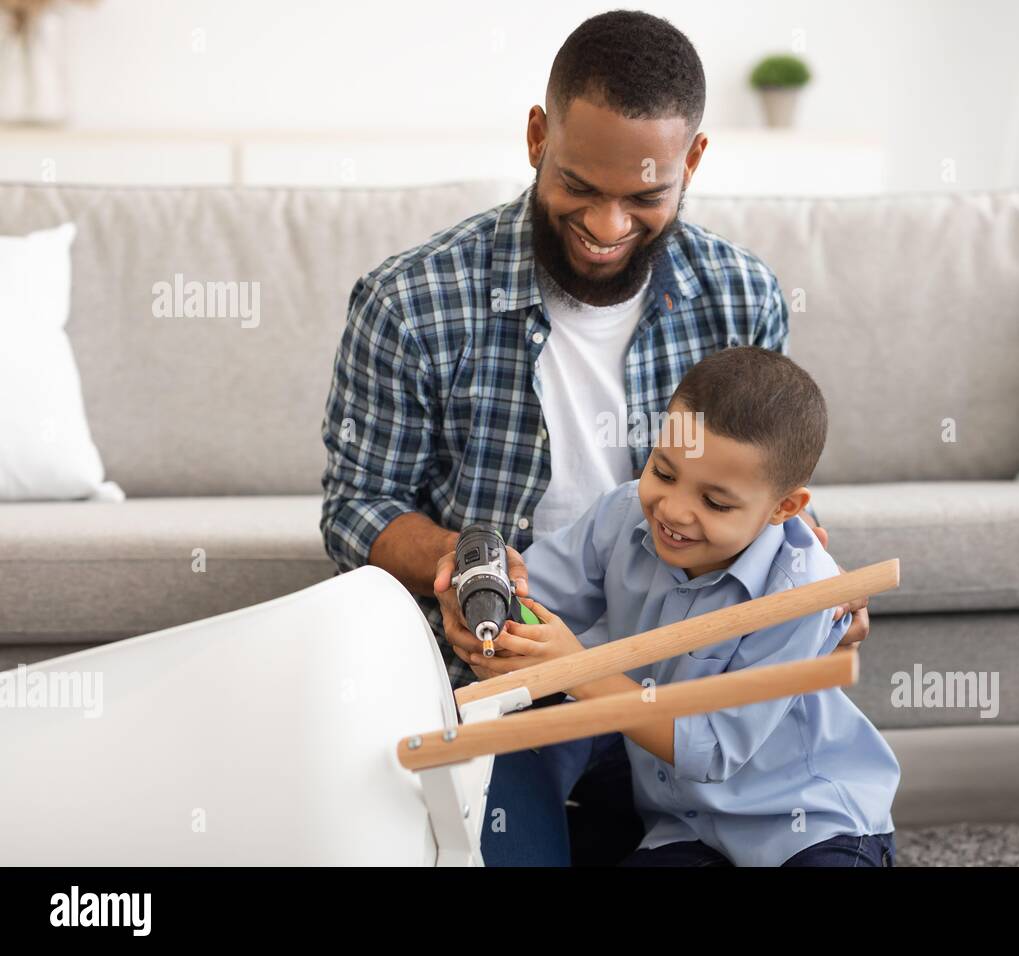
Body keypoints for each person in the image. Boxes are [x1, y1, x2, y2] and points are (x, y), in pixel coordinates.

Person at [321, 10, 871, 865]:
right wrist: (464, 562)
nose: (609, 225)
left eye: (645, 197)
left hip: (685, 696)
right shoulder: (412, 302)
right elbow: (356, 508)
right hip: (514, 680)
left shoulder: (742, 296)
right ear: (537, 137)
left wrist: (816, 590)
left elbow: (764, 485)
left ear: (691, 163)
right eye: (580, 185)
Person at [466, 347, 900, 867]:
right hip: (683, 823)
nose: (672, 510)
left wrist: (575, 668)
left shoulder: (803, 590)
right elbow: (530, 600)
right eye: (664, 472)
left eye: (715, 503)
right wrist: (500, 620)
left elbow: (713, 749)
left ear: (784, 508)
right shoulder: (624, 513)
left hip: (809, 823)